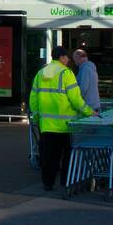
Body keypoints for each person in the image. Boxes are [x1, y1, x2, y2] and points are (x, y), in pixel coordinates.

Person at [28, 46, 95, 191]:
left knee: (49, 157)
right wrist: (90, 112)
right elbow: (75, 99)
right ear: (62, 57)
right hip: (65, 125)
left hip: (46, 125)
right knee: (67, 156)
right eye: (67, 57)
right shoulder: (66, 73)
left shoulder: (41, 73)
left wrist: (37, 117)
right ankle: (65, 182)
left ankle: (48, 183)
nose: (69, 60)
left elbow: (33, 98)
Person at [71, 48, 101, 113]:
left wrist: (76, 101)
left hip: (89, 106)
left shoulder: (85, 70)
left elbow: (83, 88)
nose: (74, 61)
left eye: (75, 58)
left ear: (79, 58)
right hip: (94, 105)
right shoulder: (91, 68)